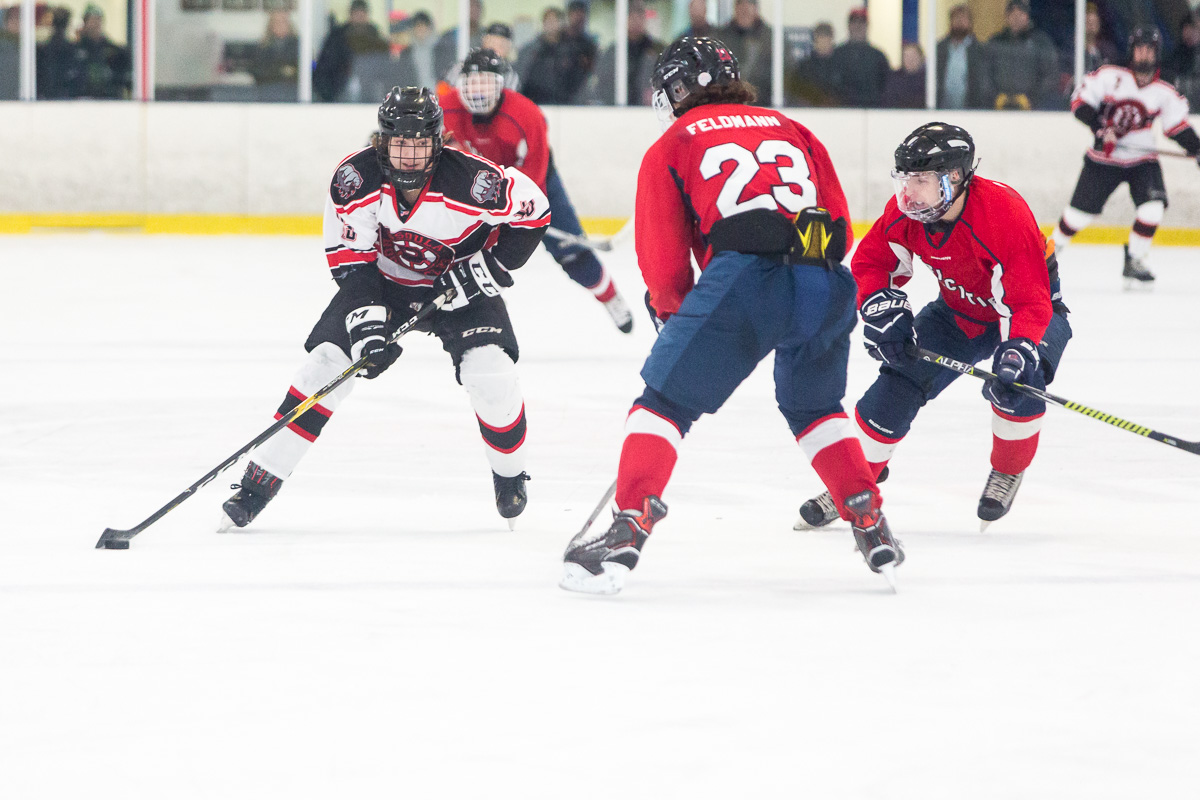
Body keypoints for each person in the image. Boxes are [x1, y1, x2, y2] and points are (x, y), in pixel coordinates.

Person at [560, 37, 903, 595]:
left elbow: (662, 259)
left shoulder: (673, 142)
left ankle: (629, 525)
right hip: (825, 281)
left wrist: (674, 313)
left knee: (663, 404)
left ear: (676, 89)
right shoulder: (791, 127)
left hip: (744, 283)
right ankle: (867, 514)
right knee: (815, 406)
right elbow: (837, 219)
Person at [219, 87, 550, 532]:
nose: (410, 157)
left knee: (491, 373)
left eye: (421, 144)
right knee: (325, 367)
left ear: (439, 142)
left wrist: (486, 270)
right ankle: (258, 484)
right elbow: (352, 262)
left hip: (458, 290)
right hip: (382, 287)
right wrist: (367, 328)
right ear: (382, 142)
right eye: (400, 144)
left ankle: (510, 476)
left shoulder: (472, 181)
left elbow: (535, 212)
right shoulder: (355, 179)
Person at [795, 123, 1072, 533]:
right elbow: (872, 263)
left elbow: (1029, 301)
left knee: (1019, 385)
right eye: (905, 180)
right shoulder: (906, 214)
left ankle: (1008, 469)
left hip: (1032, 312)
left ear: (954, 177)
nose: (909, 192)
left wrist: (1020, 348)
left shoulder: (1004, 213)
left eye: (921, 180)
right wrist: (880, 308)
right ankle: (856, 483)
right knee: (895, 386)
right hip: (957, 314)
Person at [443, 48, 634, 332]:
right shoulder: (444, 108)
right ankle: (481, 318)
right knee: (470, 257)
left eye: (486, 82)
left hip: (535, 186)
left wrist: (509, 212)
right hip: (479, 192)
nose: (478, 91)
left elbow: (533, 179)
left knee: (572, 253)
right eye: (472, 83)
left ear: (501, 85)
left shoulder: (527, 115)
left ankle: (610, 297)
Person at [1052, 26, 1200, 284]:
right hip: (1103, 159)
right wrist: (1100, 129)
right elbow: (1080, 102)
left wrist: (1197, 148)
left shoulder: (1165, 86)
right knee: (1076, 217)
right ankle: (1045, 257)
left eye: (1149, 50)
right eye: (1139, 49)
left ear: (1157, 53)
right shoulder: (1110, 74)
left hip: (1142, 160)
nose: (1144, 54)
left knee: (1153, 209)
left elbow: (1176, 126)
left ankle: (1135, 259)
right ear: (1132, 50)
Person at [979, 0, 1060, 110]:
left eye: (1020, 14)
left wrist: (1032, 99)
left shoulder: (1041, 43)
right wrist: (995, 97)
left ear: (1027, 16)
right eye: (1012, 14)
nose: (1016, 18)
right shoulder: (995, 42)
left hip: (1034, 111)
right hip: (998, 109)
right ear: (1007, 17)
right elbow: (984, 74)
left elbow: (1051, 75)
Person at [313, 0, 389, 102]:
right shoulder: (336, 39)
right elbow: (323, 69)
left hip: (370, 97)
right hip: (339, 96)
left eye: (362, 14)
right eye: (356, 14)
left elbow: (384, 71)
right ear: (350, 15)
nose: (359, 17)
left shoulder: (377, 40)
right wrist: (329, 97)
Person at [593, 0, 663, 105]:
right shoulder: (614, 51)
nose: (636, 21)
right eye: (632, 16)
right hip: (616, 108)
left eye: (639, 16)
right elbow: (602, 84)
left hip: (648, 109)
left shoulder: (657, 50)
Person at [68, 4, 131, 99]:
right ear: (85, 23)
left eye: (98, 20)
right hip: (82, 98)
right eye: (92, 20)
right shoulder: (75, 50)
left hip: (108, 98)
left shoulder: (114, 50)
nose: (95, 24)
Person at [831, 8, 890, 108]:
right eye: (854, 22)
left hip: (872, 111)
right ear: (848, 26)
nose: (858, 26)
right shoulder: (836, 54)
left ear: (867, 26)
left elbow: (886, 88)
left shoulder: (878, 57)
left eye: (862, 23)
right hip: (841, 111)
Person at [716, 0, 772, 105]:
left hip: (764, 103)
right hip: (729, 103)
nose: (744, 10)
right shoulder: (721, 38)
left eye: (748, 7)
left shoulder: (771, 39)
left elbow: (785, 73)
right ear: (735, 9)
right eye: (741, 6)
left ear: (756, 9)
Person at [936, 4, 984, 109]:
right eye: (956, 18)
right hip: (942, 109)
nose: (959, 21)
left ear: (970, 22)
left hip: (970, 109)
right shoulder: (940, 49)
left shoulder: (979, 50)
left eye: (963, 18)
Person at [249, 9, 300, 100]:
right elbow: (256, 71)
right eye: (277, 22)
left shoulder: (299, 46)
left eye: (284, 21)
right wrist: (281, 71)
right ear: (271, 25)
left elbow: (310, 67)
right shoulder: (262, 47)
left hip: (293, 94)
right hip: (268, 93)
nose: (280, 25)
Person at [788, 21, 840, 107]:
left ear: (832, 39)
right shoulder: (805, 67)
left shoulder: (841, 66)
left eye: (826, 36)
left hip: (837, 110)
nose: (823, 41)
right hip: (810, 110)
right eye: (820, 37)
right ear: (814, 40)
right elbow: (797, 93)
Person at [559, 0, 598, 104]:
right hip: (558, 96)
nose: (579, 17)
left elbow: (594, 70)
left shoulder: (589, 44)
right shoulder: (559, 39)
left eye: (582, 14)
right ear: (569, 15)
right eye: (576, 13)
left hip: (580, 96)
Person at [883, 41, 926, 109]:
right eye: (906, 56)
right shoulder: (894, 78)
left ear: (921, 58)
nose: (910, 60)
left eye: (913, 56)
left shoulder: (927, 80)